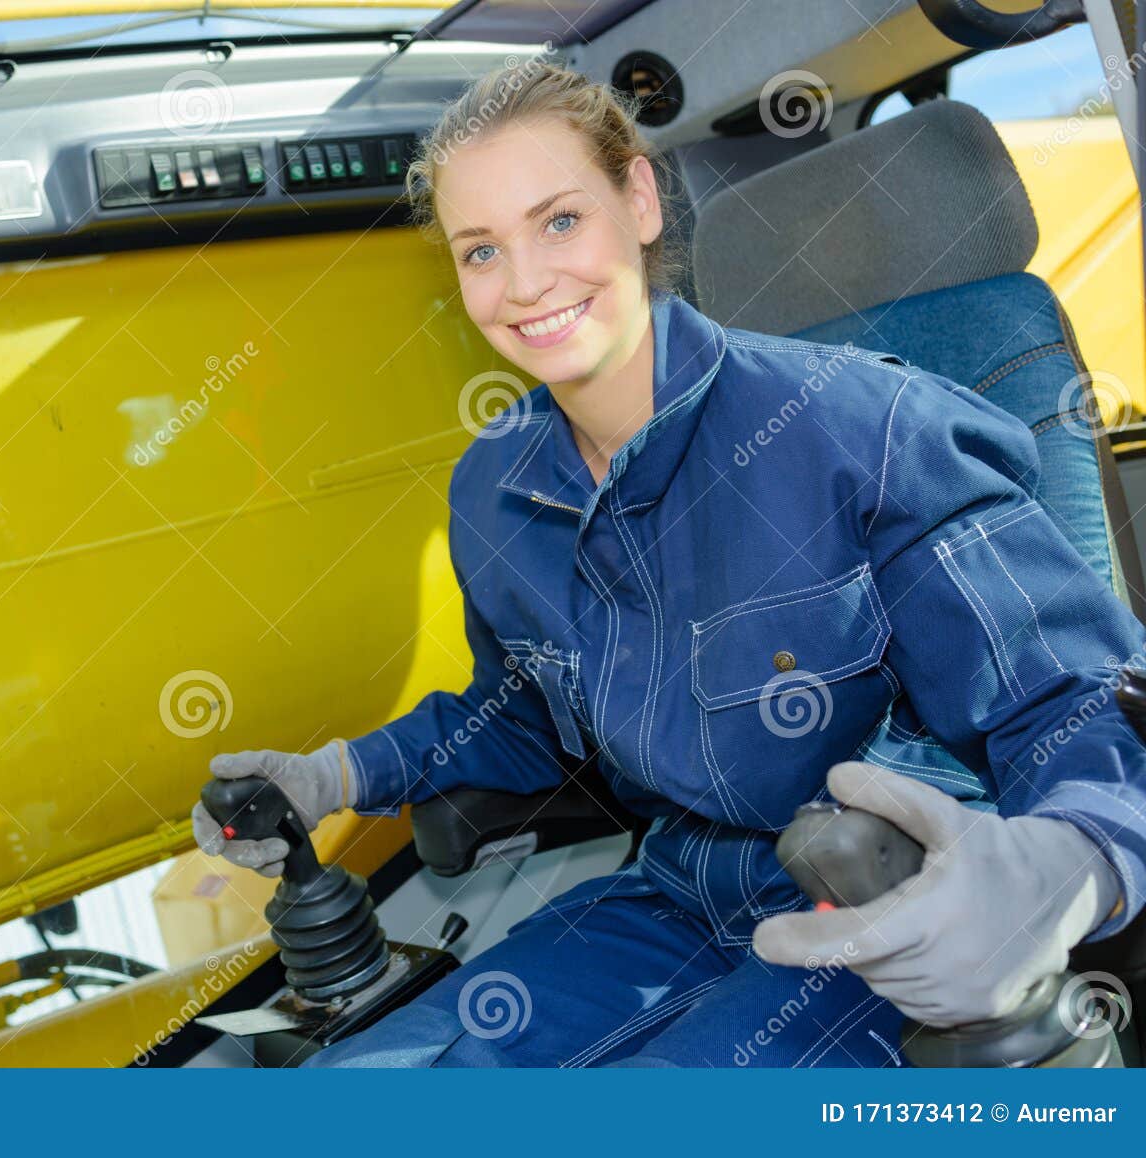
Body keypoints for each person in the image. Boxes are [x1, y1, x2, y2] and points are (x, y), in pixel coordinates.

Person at [189, 62, 1146, 1067]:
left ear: (638, 200)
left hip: (886, 909)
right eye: (481, 250)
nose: (522, 285)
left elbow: (1072, 708)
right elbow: (522, 719)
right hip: (670, 896)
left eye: (558, 222)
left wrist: (1063, 865)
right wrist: (336, 773)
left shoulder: (861, 429)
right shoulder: (494, 491)